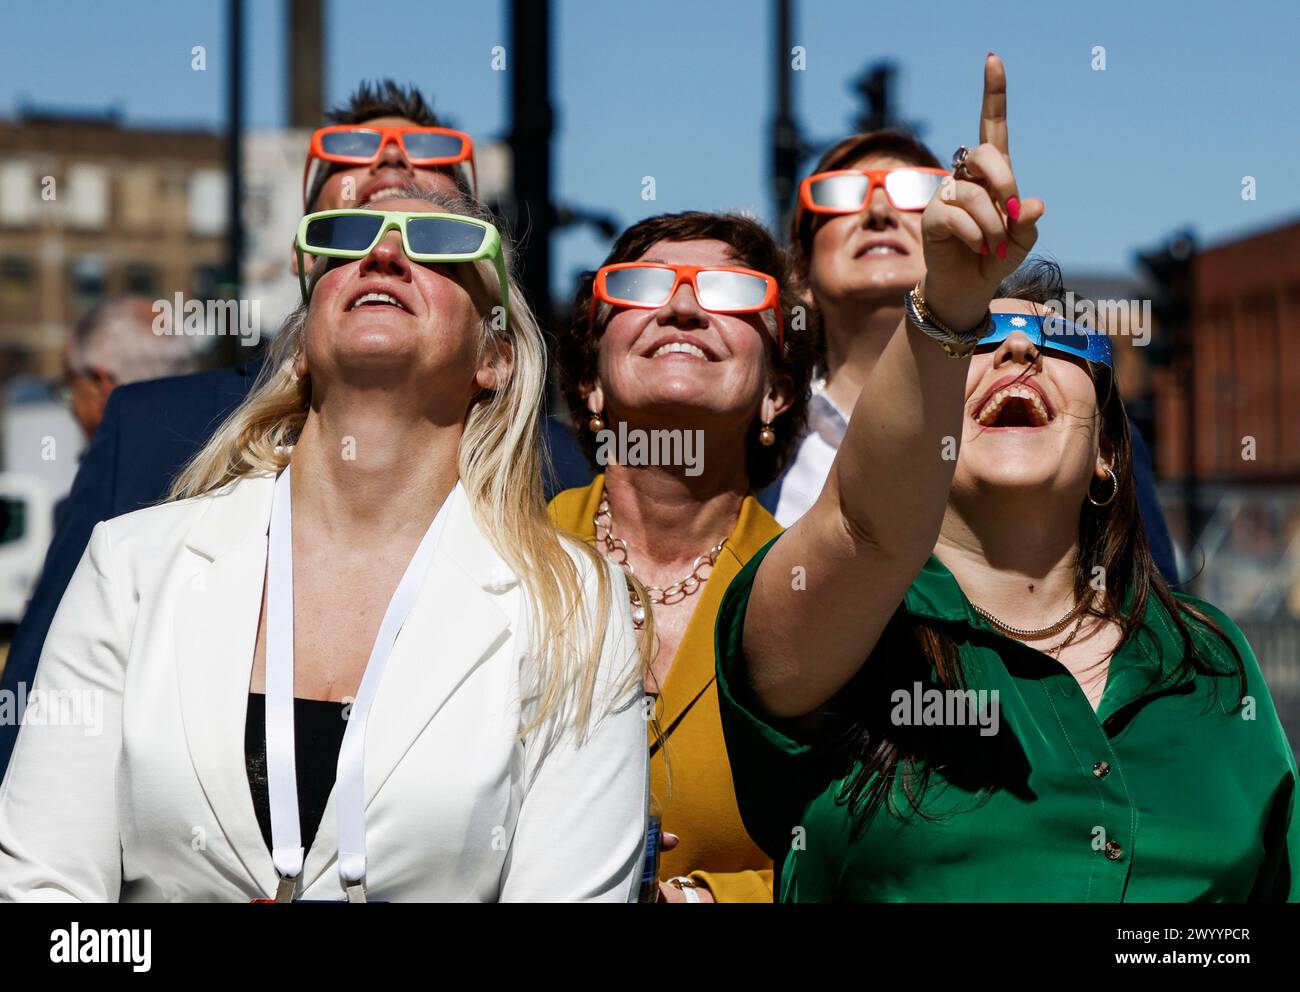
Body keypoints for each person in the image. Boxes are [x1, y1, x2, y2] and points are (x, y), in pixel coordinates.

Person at [715, 56, 1299, 902]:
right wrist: (945, 307)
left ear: (1106, 450)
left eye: (1061, 343)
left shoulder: (1210, 660)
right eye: (981, 343)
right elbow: (865, 529)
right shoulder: (847, 637)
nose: (1020, 349)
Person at [0, 188, 648, 902]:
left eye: (437, 241)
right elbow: (41, 893)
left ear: (493, 357)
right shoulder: (132, 566)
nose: (384, 253)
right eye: (346, 239)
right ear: (304, 345)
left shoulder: (575, 605)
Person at [0, 81, 545, 778]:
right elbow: (44, 701)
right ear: (300, 252)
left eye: (431, 175)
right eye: (349, 158)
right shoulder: (150, 426)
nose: (389, 168)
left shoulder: (552, 462)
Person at [761, 116, 1178, 582]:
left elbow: (1152, 610)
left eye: (917, 191)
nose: (877, 212)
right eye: (841, 194)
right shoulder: (756, 431)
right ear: (800, 276)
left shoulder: (1055, 419)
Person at [549, 211, 816, 902]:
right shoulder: (503, 559)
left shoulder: (821, 593)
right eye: (641, 287)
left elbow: (866, 854)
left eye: (730, 291)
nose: (683, 307)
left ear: (777, 393)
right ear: (591, 382)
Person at [58, 297, 200, 442]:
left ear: (100, 387)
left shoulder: (111, 462)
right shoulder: (215, 452)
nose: (72, 411)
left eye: (70, 389)